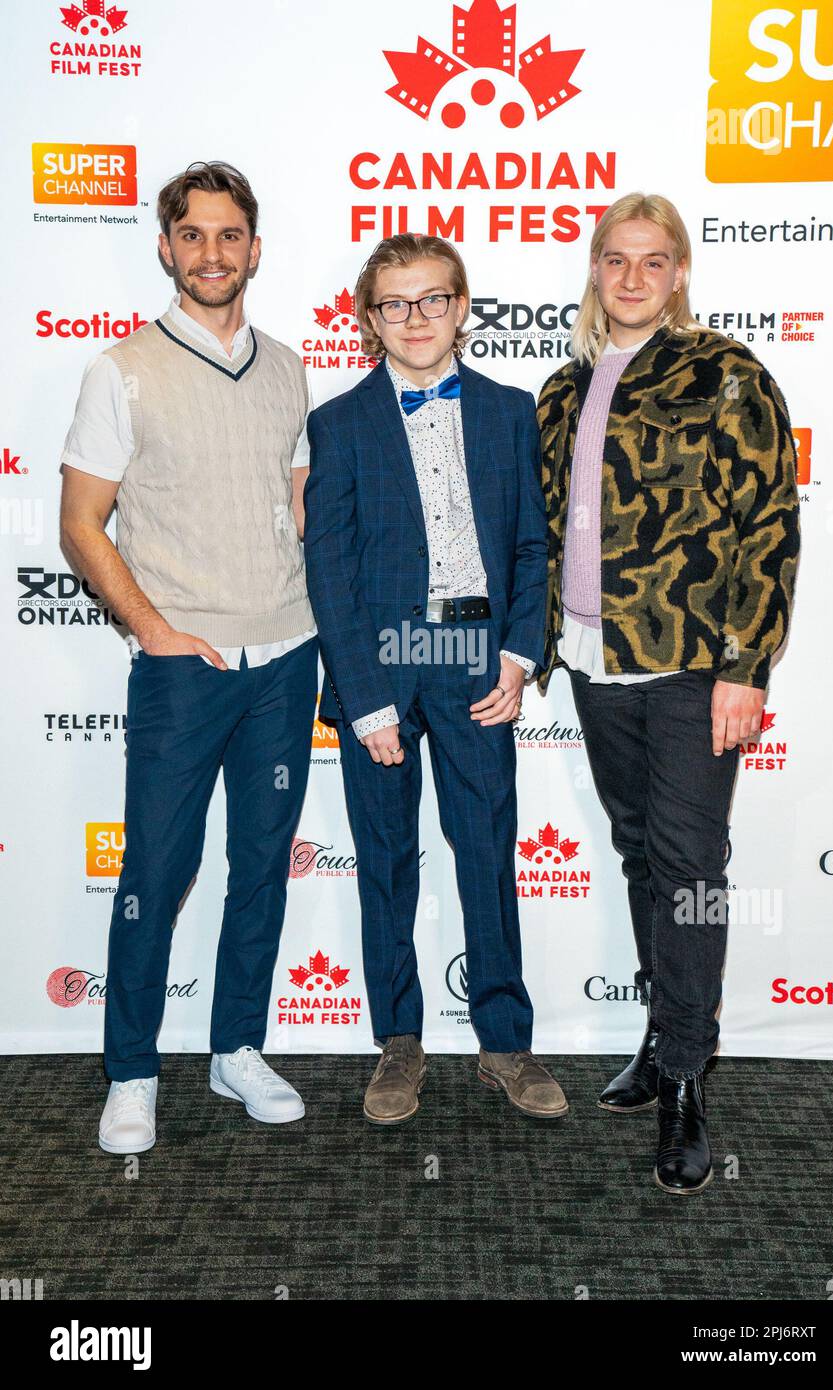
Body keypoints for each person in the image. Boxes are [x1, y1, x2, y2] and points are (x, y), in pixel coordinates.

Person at [536, 192, 800, 1193]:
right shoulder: (562, 388)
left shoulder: (724, 374)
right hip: (594, 666)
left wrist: (744, 666)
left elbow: (766, 522)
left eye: (653, 261)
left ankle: (688, 1074)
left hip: (690, 666)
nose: (633, 277)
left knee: (689, 866)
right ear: (595, 270)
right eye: (615, 260)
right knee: (643, 851)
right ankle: (663, 1034)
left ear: (679, 272)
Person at [59, 161, 319, 1154]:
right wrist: (152, 629)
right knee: (156, 870)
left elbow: (295, 499)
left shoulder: (291, 366)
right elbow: (83, 523)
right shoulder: (120, 369)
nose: (212, 253)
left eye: (229, 235)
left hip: (287, 658)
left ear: (254, 249)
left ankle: (235, 1047)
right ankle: (131, 1068)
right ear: (166, 247)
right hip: (182, 665)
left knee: (260, 867)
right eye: (193, 235)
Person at [303, 233, 567, 1125]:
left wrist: (520, 654)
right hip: (379, 659)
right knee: (385, 857)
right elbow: (329, 571)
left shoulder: (509, 411)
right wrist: (367, 697)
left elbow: (533, 544)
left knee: (489, 851)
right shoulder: (337, 423)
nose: (415, 318)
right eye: (394, 303)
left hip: (473, 654)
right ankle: (399, 1043)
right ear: (369, 320)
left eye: (433, 298)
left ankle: (504, 1041)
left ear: (462, 305)